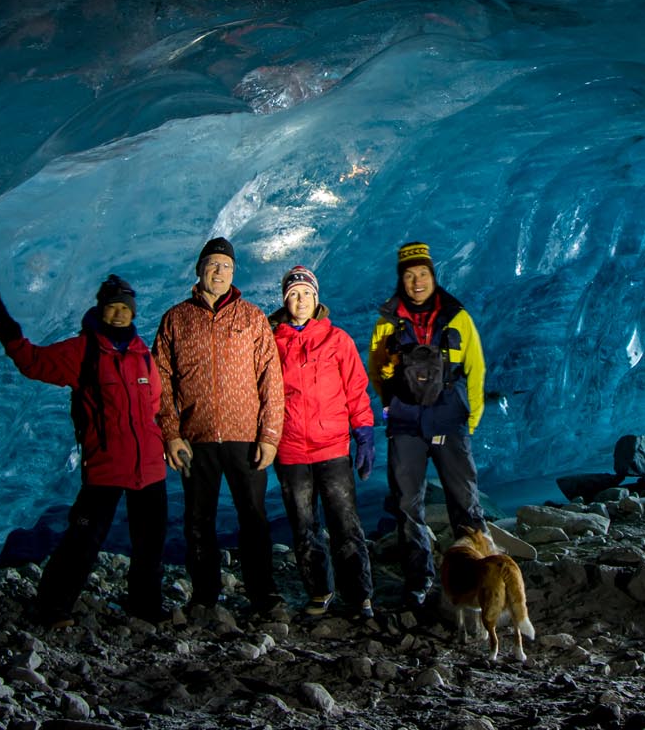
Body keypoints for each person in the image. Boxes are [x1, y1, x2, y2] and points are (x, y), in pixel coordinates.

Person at [0, 275, 169, 626]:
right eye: (113, 308)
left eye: (126, 308)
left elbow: (154, 402)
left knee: (150, 544)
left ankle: (146, 608)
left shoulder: (143, 356)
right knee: (82, 539)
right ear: (101, 309)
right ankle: (53, 608)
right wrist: (7, 330)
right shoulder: (85, 350)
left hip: (149, 467)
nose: (120, 314)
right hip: (106, 466)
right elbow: (34, 363)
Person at [153, 236, 285, 616]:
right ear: (199, 269)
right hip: (197, 438)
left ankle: (263, 593)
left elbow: (271, 380)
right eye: (212, 265)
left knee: (254, 517)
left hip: (245, 438)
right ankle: (204, 595)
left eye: (226, 266)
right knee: (198, 520)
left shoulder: (252, 318)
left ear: (234, 273)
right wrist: (172, 433)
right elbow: (160, 378)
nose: (219, 272)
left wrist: (270, 436)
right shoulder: (176, 319)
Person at [368, 241, 488, 609]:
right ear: (401, 280)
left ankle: (478, 577)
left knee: (464, 502)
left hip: (449, 420)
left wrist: (472, 418)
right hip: (405, 424)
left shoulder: (457, 317)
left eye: (422, 274)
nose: (416, 282)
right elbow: (376, 370)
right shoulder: (387, 322)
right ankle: (419, 580)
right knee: (407, 505)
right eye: (409, 275)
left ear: (433, 276)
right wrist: (390, 406)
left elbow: (476, 368)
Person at [269, 264, 376, 619]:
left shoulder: (337, 340)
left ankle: (359, 595)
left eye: (306, 294)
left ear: (317, 298)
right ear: (285, 300)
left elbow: (356, 389)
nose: (300, 301)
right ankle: (319, 591)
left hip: (332, 448)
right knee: (304, 525)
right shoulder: (272, 342)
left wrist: (363, 433)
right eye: (293, 295)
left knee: (345, 522)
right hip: (291, 449)